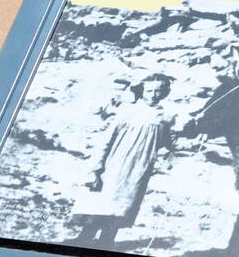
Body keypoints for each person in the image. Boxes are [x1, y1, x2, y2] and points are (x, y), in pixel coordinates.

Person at [74, 75, 175, 247]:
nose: (153, 95)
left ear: (165, 92)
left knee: (125, 203)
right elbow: (106, 140)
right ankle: (84, 237)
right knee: (102, 199)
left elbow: (166, 143)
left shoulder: (165, 117)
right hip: (114, 163)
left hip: (139, 168)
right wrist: (97, 167)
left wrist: (175, 147)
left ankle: (107, 240)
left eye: (158, 91)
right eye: (149, 90)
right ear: (142, 91)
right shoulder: (127, 111)